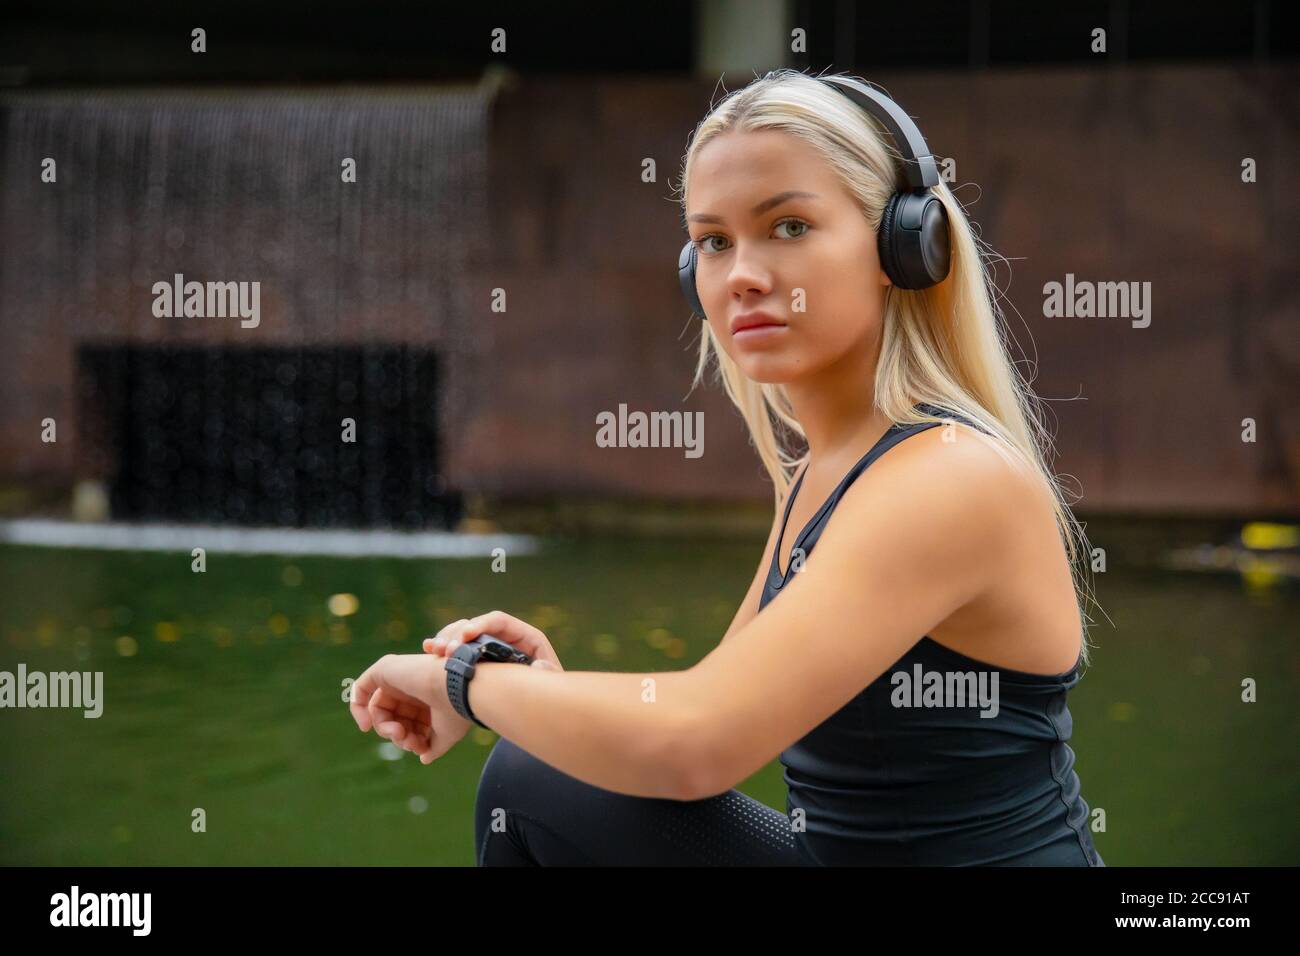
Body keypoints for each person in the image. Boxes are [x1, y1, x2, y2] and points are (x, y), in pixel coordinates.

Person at [347, 68, 1104, 866]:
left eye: (787, 227)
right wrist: (537, 691)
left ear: (899, 246)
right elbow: (716, 700)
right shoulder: (828, 471)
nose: (740, 272)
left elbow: (697, 743)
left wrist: (468, 682)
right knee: (539, 777)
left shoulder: (950, 477)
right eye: (713, 241)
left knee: (535, 769)